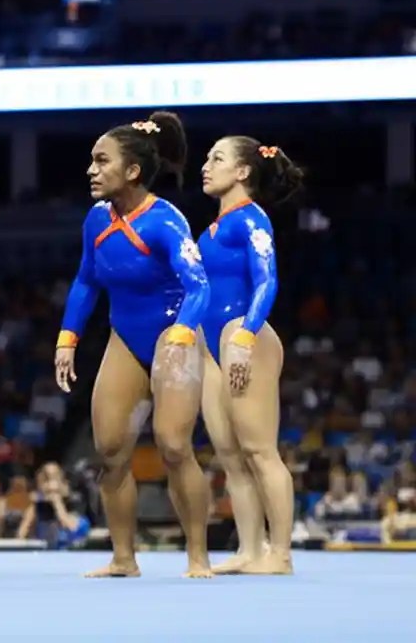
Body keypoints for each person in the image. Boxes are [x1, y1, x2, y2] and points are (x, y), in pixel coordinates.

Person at [53, 111, 214, 578]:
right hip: (125, 337)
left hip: (172, 333)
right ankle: (124, 558)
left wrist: (182, 336)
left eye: (102, 162)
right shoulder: (96, 221)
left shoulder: (166, 222)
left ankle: (198, 556)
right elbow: (86, 281)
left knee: (173, 445)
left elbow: (198, 286)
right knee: (109, 450)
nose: (91, 170)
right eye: (91, 161)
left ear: (133, 172)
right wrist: (68, 338)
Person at [198, 136, 303, 575]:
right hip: (211, 345)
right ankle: (249, 549)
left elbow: (267, 280)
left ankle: (279, 554)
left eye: (216, 158)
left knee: (260, 451)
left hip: (245, 337)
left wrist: (245, 337)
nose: (206, 165)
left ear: (242, 172)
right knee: (230, 455)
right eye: (206, 158)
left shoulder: (251, 219)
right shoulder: (210, 230)